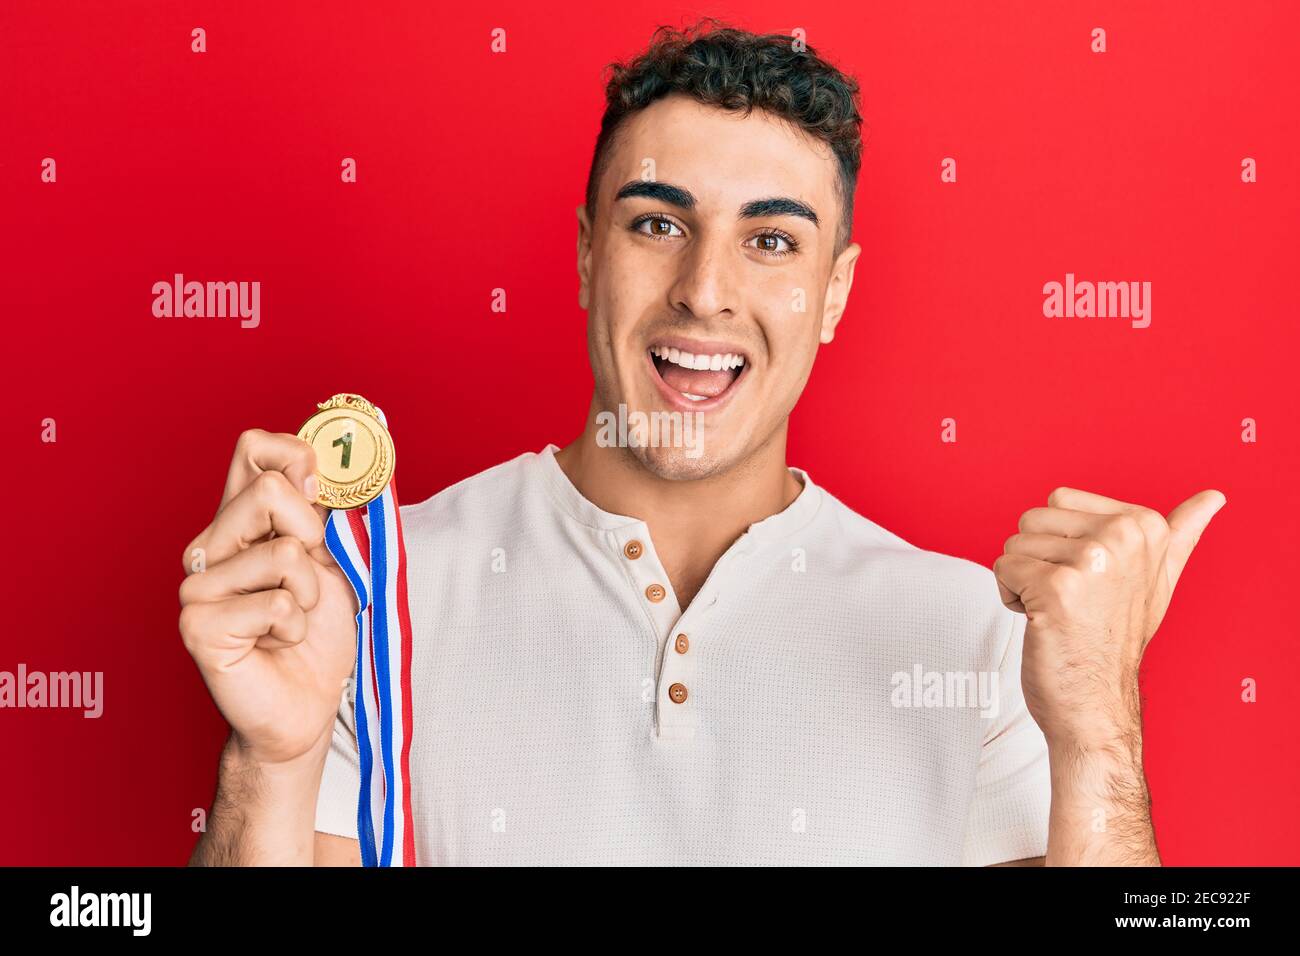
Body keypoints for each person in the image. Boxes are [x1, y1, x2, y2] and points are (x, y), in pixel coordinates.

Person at [179, 20, 1223, 866]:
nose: (705, 290)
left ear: (833, 294)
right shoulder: (373, 592)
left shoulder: (972, 634)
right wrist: (271, 757)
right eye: (656, 223)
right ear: (589, 255)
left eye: (770, 240)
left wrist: (1097, 734)